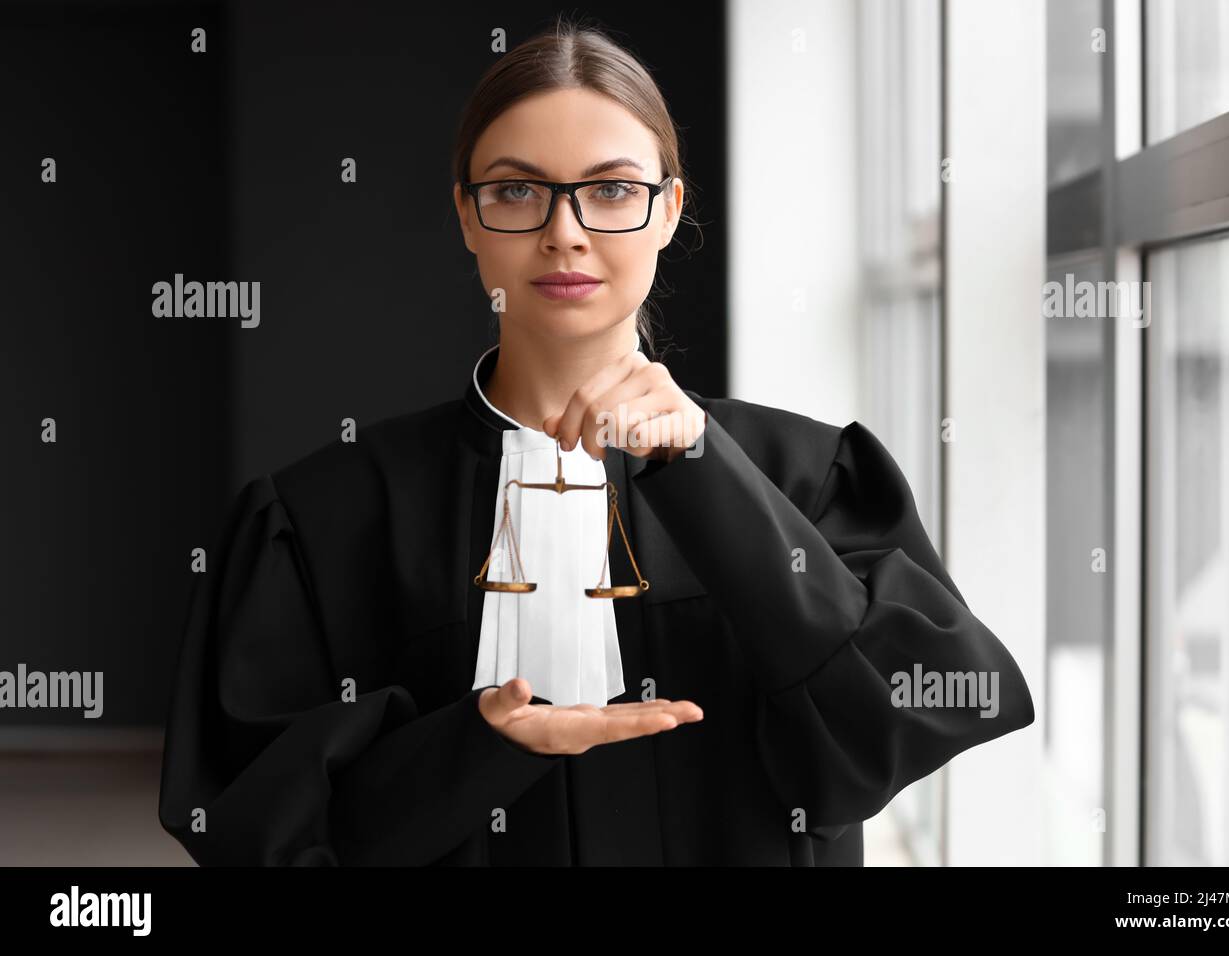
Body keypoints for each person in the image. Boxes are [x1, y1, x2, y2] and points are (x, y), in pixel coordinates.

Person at [158, 17, 1034, 866]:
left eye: (612, 189)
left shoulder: (807, 478)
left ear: (668, 210)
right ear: (467, 216)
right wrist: (476, 746)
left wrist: (709, 479)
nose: (564, 231)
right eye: (516, 190)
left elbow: (911, 716)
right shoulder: (323, 517)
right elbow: (255, 831)